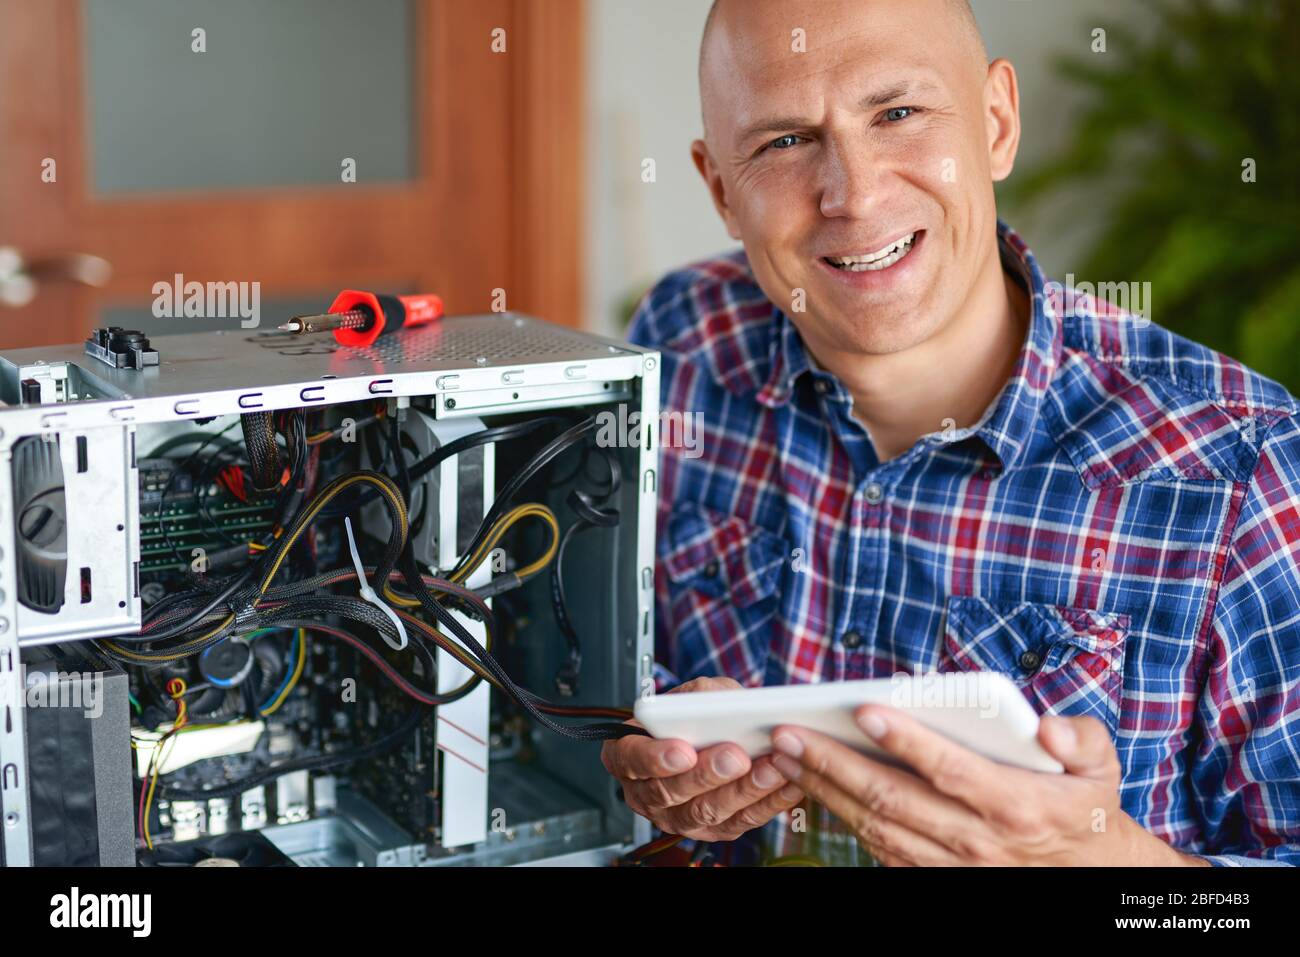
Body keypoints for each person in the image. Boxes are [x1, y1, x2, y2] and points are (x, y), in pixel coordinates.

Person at [601, 0, 1300, 865]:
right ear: (720, 191)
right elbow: (590, 676)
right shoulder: (683, 339)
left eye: (897, 113)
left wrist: (1109, 859)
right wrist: (640, 760)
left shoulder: (1241, 465)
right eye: (784, 142)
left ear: (996, 122)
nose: (853, 195)